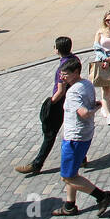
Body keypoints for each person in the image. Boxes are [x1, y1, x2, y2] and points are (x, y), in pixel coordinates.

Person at [51, 57, 110, 217]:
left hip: (74, 139)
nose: (62, 77)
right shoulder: (87, 84)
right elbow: (93, 104)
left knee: (68, 177)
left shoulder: (72, 93)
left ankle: (101, 196)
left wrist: (92, 111)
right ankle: (69, 205)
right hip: (85, 134)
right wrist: (97, 106)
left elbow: (84, 113)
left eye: (65, 74)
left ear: (75, 73)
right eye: (61, 74)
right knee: (73, 171)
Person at [16, 36, 79, 176]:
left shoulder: (62, 68)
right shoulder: (75, 59)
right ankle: (81, 158)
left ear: (57, 50)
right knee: (73, 129)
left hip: (61, 103)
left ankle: (37, 164)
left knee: (50, 134)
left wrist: (50, 103)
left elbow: (60, 91)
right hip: (73, 100)